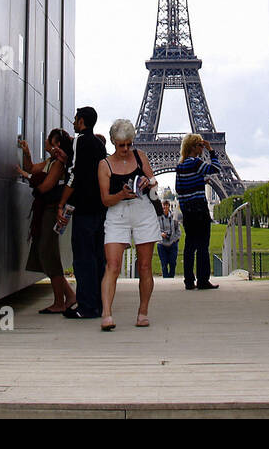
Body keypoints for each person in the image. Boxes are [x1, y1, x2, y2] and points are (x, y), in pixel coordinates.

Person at [98, 118, 160, 330]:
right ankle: (106, 314)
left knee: (144, 266)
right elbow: (105, 199)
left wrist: (147, 181)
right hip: (117, 213)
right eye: (121, 145)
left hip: (143, 211)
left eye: (129, 144)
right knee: (112, 265)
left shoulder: (140, 156)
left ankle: (143, 312)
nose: (125, 149)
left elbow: (154, 184)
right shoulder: (104, 165)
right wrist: (120, 195)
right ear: (113, 142)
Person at [56, 106, 107, 319]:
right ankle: (99, 303)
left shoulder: (80, 141)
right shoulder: (99, 145)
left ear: (82, 121)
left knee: (83, 259)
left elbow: (74, 175)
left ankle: (85, 306)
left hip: (84, 208)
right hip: (101, 209)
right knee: (97, 259)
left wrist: (61, 203)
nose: (74, 122)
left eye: (76, 119)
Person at [18, 129, 77, 313]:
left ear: (56, 145)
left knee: (48, 251)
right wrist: (27, 154)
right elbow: (32, 168)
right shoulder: (51, 162)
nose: (44, 141)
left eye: (48, 140)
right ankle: (68, 296)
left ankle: (60, 301)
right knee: (46, 252)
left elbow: (45, 186)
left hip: (52, 210)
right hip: (46, 210)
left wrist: (26, 176)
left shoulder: (59, 164)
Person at [175, 133, 220, 290]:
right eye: (200, 145)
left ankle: (188, 281)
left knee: (189, 245)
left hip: (188, 211)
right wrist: (211, 150)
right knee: (202, 246)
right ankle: (202, 280)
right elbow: (216, 168)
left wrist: (199, 182)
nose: (202, 147)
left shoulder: (180, 166)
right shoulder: (196, 163)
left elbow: (179, 189)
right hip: (200, 210)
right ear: (193, 147)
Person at [156, 200, 180, 278]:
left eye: (167, 205)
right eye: (164, 205)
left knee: (173, 263)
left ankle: (171, 278)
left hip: (172, 243)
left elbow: (178, 230)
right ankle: (166, 279)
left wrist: (174, 240)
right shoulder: (158, 217)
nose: (165, 207)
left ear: (169, 206)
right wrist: (160, 234)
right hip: (161, 244)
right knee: (164, 263)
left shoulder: (173, 217)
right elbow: (155, 229)